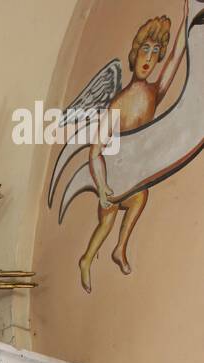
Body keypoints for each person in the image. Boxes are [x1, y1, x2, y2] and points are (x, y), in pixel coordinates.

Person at [78, 4, 189, 291]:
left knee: (138, 199)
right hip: (115, 173)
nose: (149, 59)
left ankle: (117, 250)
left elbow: (177, 57)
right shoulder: (118, 103)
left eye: (155, 54)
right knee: (107, 221)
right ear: (134, 54)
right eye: (145, 50)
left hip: (133, 173)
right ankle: (87, 259)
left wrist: (188, 19)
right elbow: (95, 150)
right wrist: (102, 187)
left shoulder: (154, 92)